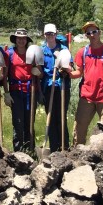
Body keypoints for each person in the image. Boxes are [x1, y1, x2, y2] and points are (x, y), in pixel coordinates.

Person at [70, 21, 103, 145]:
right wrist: (67, 72)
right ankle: (77, 152)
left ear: (99, 32)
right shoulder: (83, 52)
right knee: (79, 126)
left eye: (94, 31)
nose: (92, 35)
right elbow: (78, 73)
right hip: (87, 96)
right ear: (86, 35)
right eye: (88, 33)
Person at [41, 23, 71, 151]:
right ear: (44, 35)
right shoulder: (42, 50)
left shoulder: (64, 49)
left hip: (62, 86)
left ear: (56, 33)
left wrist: (64, 67)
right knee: (51, 117)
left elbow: (71, 67)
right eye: (48, 34)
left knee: (61, 116)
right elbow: (39, 70)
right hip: (48, 87)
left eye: (52, 34)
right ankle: (53, 148)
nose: (50, 36)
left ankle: (64, 146)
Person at [6, 29, 36, 152]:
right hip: (16, 91)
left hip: (30, 91)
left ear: (27, 40)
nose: (21, 40)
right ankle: (18, 151)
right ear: (15, 39)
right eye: (19, 38)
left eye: (23, 38)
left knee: (29, 121)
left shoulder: (32, 52)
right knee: (18, 122)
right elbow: (4, 74)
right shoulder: (9, 54)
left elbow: (39, 73)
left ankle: (30, 150)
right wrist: (6, 93)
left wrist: (38, 74)